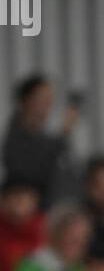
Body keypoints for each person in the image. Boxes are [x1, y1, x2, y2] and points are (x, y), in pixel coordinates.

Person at [1, 75, 80, 205]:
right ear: (24, 100)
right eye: (41, 99)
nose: (47, 104)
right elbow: (33, 172)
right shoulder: (15, 137)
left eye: (50, 99)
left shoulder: (42, 135)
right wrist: (64, 134)